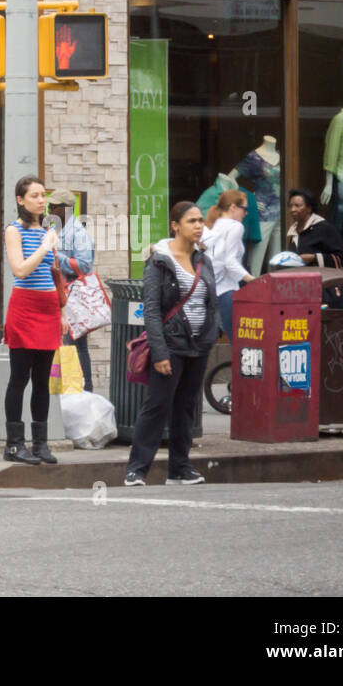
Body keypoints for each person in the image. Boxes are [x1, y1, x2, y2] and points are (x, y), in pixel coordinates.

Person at [125, 201, 219, 487]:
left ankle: (180, 468)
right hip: (171, 344)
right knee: (157, 405)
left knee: (187, 407)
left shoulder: (204, 259)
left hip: (198, 345)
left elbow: (210, 303)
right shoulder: (159, 261)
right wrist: (160, 352)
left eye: (201, 220)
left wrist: (210, 335)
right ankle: (137, 470)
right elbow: (151, 309)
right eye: (191, 221)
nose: (199, 225)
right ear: (175, 226)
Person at [2, 176, 68, 466]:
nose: (41, 200)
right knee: (20, 378)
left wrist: (62, 313)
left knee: (43, 381)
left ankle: (40, 443)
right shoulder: (13, 230)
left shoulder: (47, 230)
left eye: (43, 195)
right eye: (34, 196)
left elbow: (52, 274)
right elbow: (20, 270)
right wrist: (44, 246)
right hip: (25, 307)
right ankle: (14, 445)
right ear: (20, 200)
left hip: (48, 307)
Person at [48, 188, 96, 393]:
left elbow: (84, 265)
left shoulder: (78, 233)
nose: (49, 209)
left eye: (53, 206)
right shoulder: (58, 229)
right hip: (61, 294)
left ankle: (86, 390)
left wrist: (56, 258)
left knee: (77, 344)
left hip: (73, 296)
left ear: (65, 209)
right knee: (67, 343)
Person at [284, 188, 343, 309]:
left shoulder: (324, 228)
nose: (293, 209)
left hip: (326, 291)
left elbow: (341, 258)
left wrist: (314, 258)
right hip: (302, 291)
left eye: (297, 206)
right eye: (290, 206)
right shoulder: (293, 232)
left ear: (309, 208)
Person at [203, 188, 253, 340]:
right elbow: (229, 261)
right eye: (244, 209)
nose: (246, 213)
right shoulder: (235, 226)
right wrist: (252, 279)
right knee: (239, 343)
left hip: (212, 291)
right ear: (232, 207)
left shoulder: (214, 225)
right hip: (227, 291)